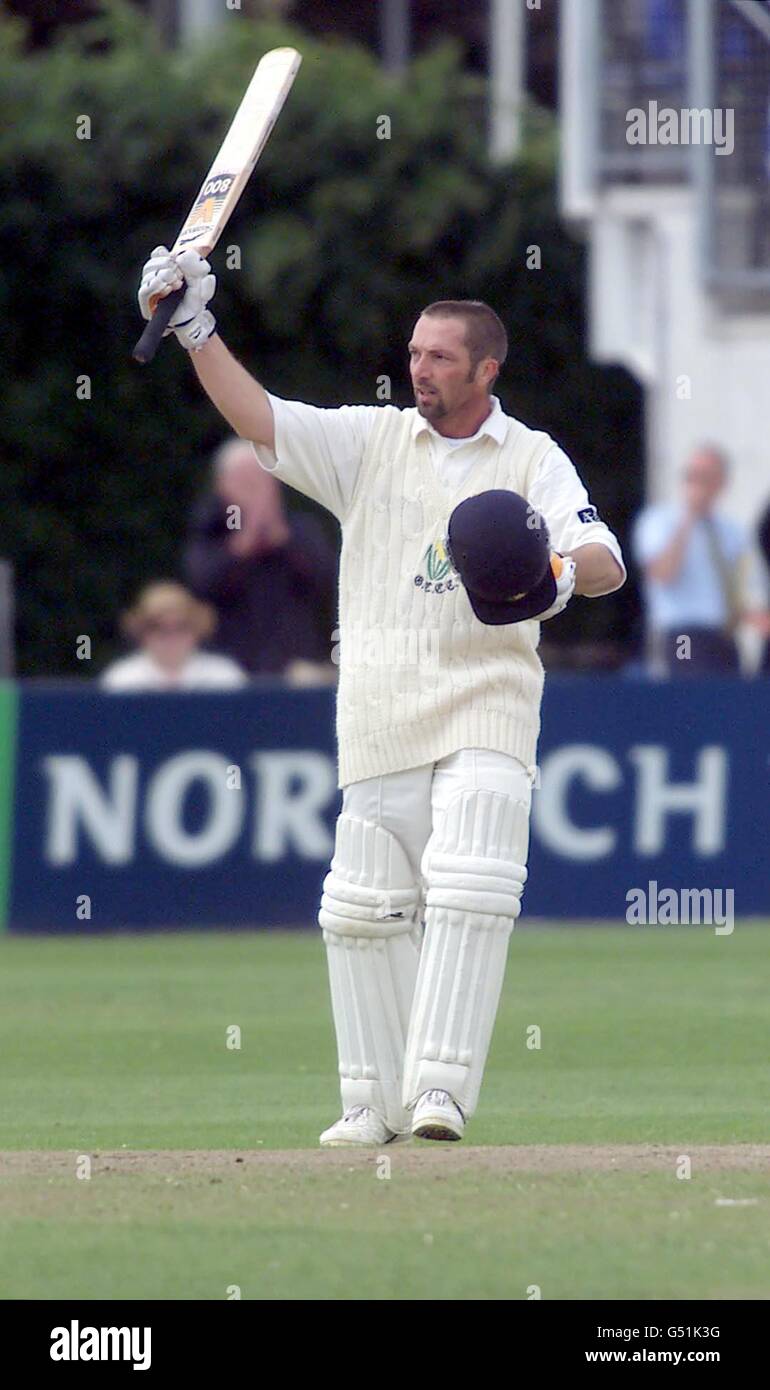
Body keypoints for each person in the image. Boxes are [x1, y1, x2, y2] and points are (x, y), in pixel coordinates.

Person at [137, 247, 625, 1146]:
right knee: (361, 911)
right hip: (377, 709)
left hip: (488, 700)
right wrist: (197, 330)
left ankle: (440, 1091)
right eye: (413, 353)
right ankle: (374, 1104)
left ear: (487, 368)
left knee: (470, 881)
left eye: (439, 357)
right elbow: (264, 420)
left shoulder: (532, 456)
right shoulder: (370, 442)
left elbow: (602, 560)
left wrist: (554, 579)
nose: (419, 369)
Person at [183, 436, 338, 679]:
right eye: (245, 483)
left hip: (297, 665)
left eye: (261, 481)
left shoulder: (301, 529)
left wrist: (284, 541)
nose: (256, 492)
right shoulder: (211, 530)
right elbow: (202, 584)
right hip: (228, 669)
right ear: (222, 486)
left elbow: (327, 582)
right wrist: (244, 542)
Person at [632, 446, 751, 676]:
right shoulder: (660, 521)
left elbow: (738, 587)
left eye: (707, 478)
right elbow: (662, 574)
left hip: (723, 636)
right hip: (682, 633)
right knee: (689, 690)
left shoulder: (730, 531)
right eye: (693, 477)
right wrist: (689, 518)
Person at [101, 581, 247, 691]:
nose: (171, 637)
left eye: (181, 627)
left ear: (196, 631)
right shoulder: (121, 680)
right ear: (143, 633)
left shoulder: (224, 677)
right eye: (158, 628)